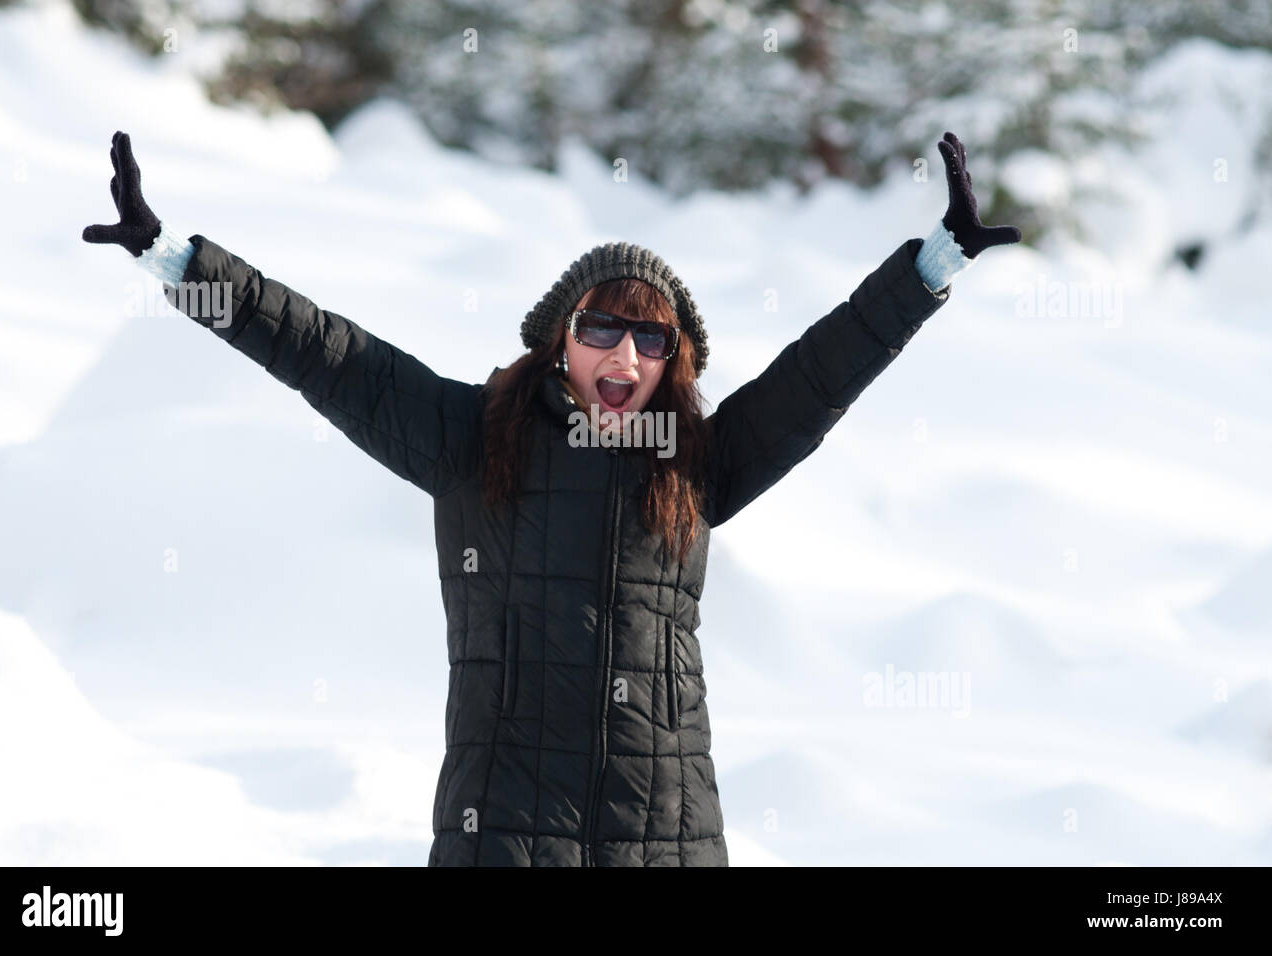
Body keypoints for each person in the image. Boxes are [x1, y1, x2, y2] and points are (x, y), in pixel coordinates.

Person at [83, 129, 1020, 866]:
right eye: (604, 328)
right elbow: (322, 352)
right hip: (504, 836)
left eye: (651, 343)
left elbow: (823, 373)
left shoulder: (696, 464)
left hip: (670, 840)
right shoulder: (471, 438)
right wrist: (172, 258)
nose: (625, 357)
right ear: (559, 337)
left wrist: (933, 266)